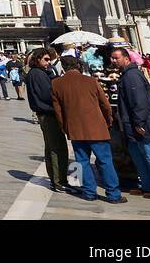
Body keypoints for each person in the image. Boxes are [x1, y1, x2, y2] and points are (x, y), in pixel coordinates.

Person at [50, 55, 125, 204]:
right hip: (97, 127)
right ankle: (113, 194)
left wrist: (64, 127)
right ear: (78, 66)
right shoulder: (91, 81)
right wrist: (108, 120)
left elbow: (58, 111)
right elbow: (105, 105)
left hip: (75, 129)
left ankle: (89, 192)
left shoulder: (56, 84)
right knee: (105, 160)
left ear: (63, 68)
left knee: (82, 161)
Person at [111, 47, 150, 200]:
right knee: (138, 154)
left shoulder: (132, 76)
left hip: (143, 124)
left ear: (126, 58)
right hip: (132, 124)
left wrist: (139, 122)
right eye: (112, 58)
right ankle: (146, 186)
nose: (113, 61)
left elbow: (139, 101)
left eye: (116, 58)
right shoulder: (127, 75)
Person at [26, 48, 69, 192]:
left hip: (45, 113)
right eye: (45, 59)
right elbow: (48, 94)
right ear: (37, 59)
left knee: (52, 146)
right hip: (48, 114)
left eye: (49, 59)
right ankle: (59, 180)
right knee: (57, 148)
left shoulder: (39, 73)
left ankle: (56, 179)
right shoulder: (37, 74)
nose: (48, 62)